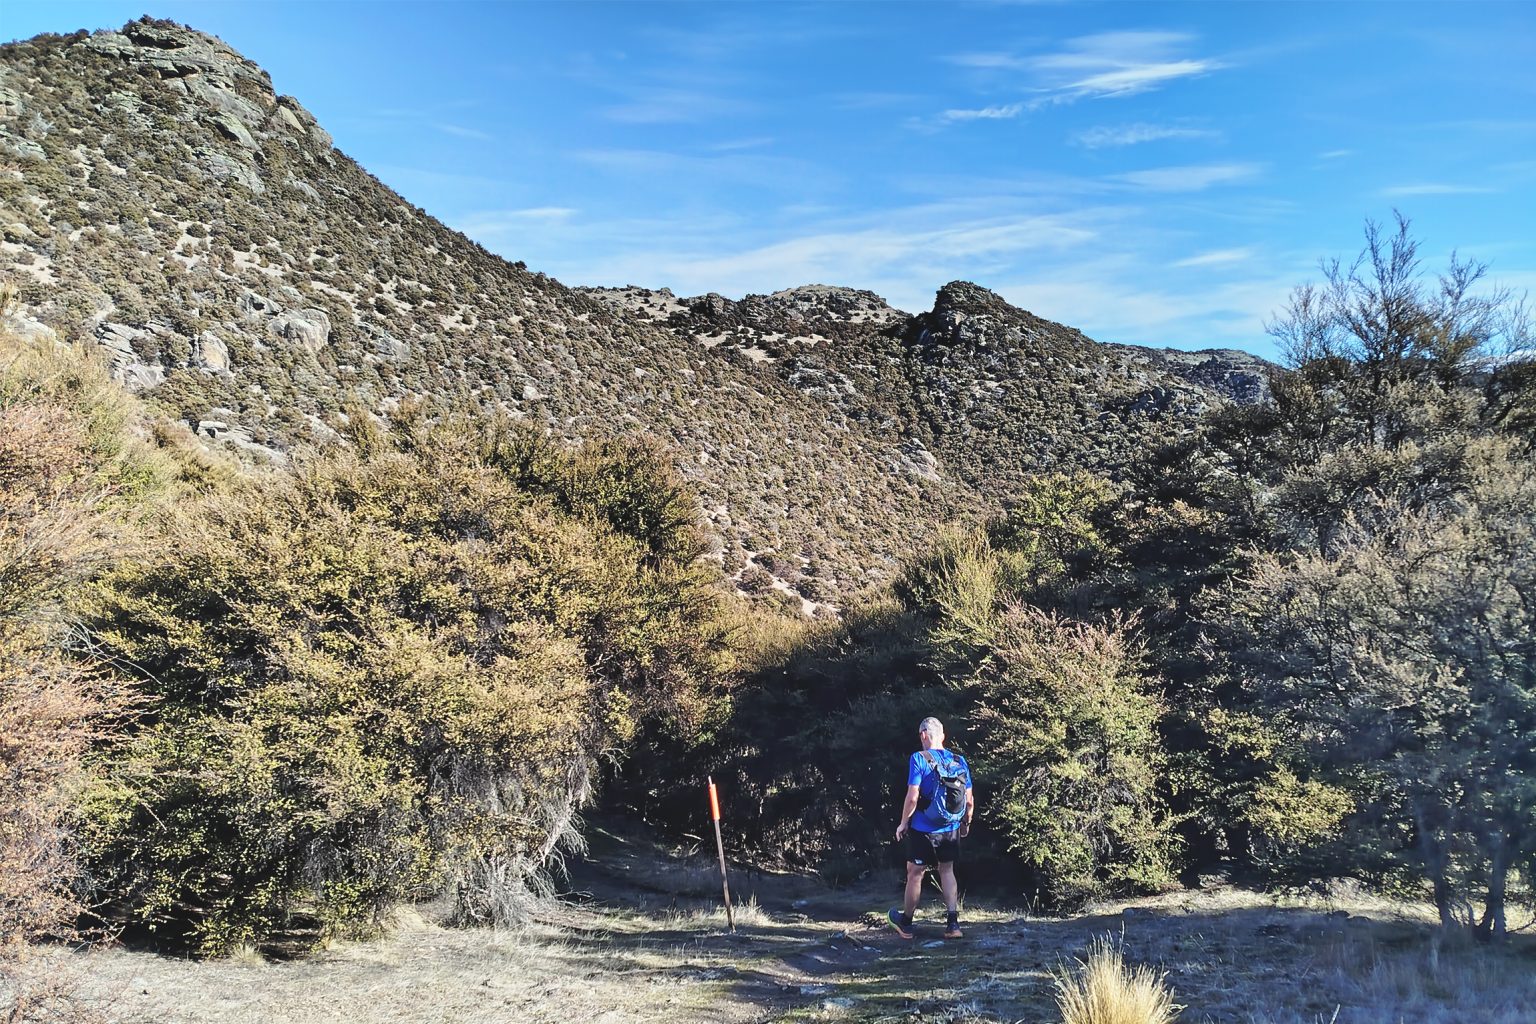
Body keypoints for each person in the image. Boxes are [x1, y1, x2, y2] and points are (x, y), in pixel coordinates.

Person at [889, 716, 973, 940]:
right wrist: (965, 823)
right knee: (947, 871)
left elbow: (912, 796)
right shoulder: (959, 760)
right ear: (943, 736)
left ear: (924, 735)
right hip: (950, 827)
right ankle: (953, 925)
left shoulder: (919, 758)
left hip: (923, 829)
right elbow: (969, 799)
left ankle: (906, 924)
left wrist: (903, 823)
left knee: (915, 874)